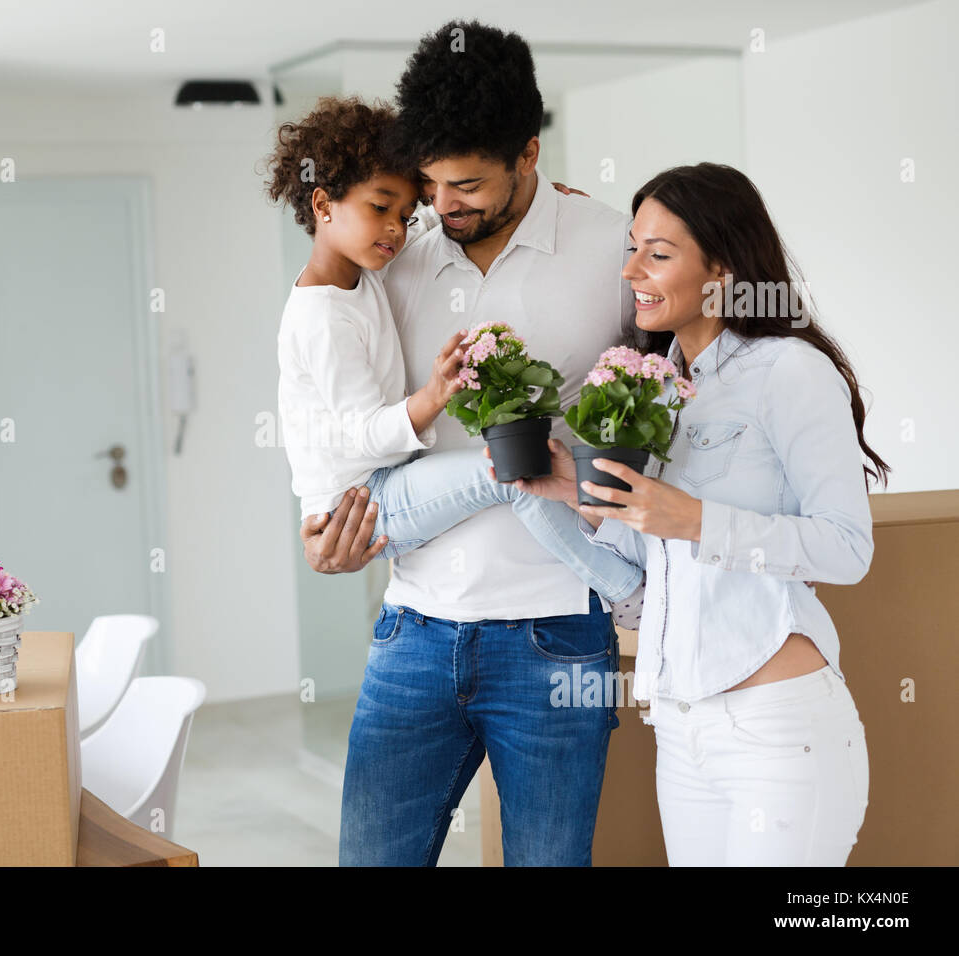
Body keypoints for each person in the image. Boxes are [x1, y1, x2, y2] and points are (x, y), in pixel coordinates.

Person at [300, 21, 652, 866]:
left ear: (528, 153)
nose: (439, 205)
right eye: (427, 183)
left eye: (465, 185)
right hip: (412, 630)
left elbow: (656, 424)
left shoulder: (613, 248)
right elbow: (339, 416)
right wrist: (324, 525)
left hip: (559, 636)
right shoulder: (395, 257)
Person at [501, 162, 885, 865]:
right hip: (679, 728)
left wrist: (695, 518)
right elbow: (652, 574)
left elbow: (846, 547)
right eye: (631, 248)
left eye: (659, 253)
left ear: (724, 270)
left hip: (777, 723)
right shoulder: (655, 390)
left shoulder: (788, 372)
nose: (631, 271)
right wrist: (577, 496)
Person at [266, 94, 643, 605]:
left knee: (511, 468)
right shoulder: (324, 315)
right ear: (322, 205)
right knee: (507, 473)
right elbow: (363, 435)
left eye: (406, 210)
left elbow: (424, 220)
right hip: (362, 507)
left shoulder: (369, 266)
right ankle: (629, 592)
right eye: (383, 208)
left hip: (411, 506)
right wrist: (436, 393)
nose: (400, 227)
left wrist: (549, 200)